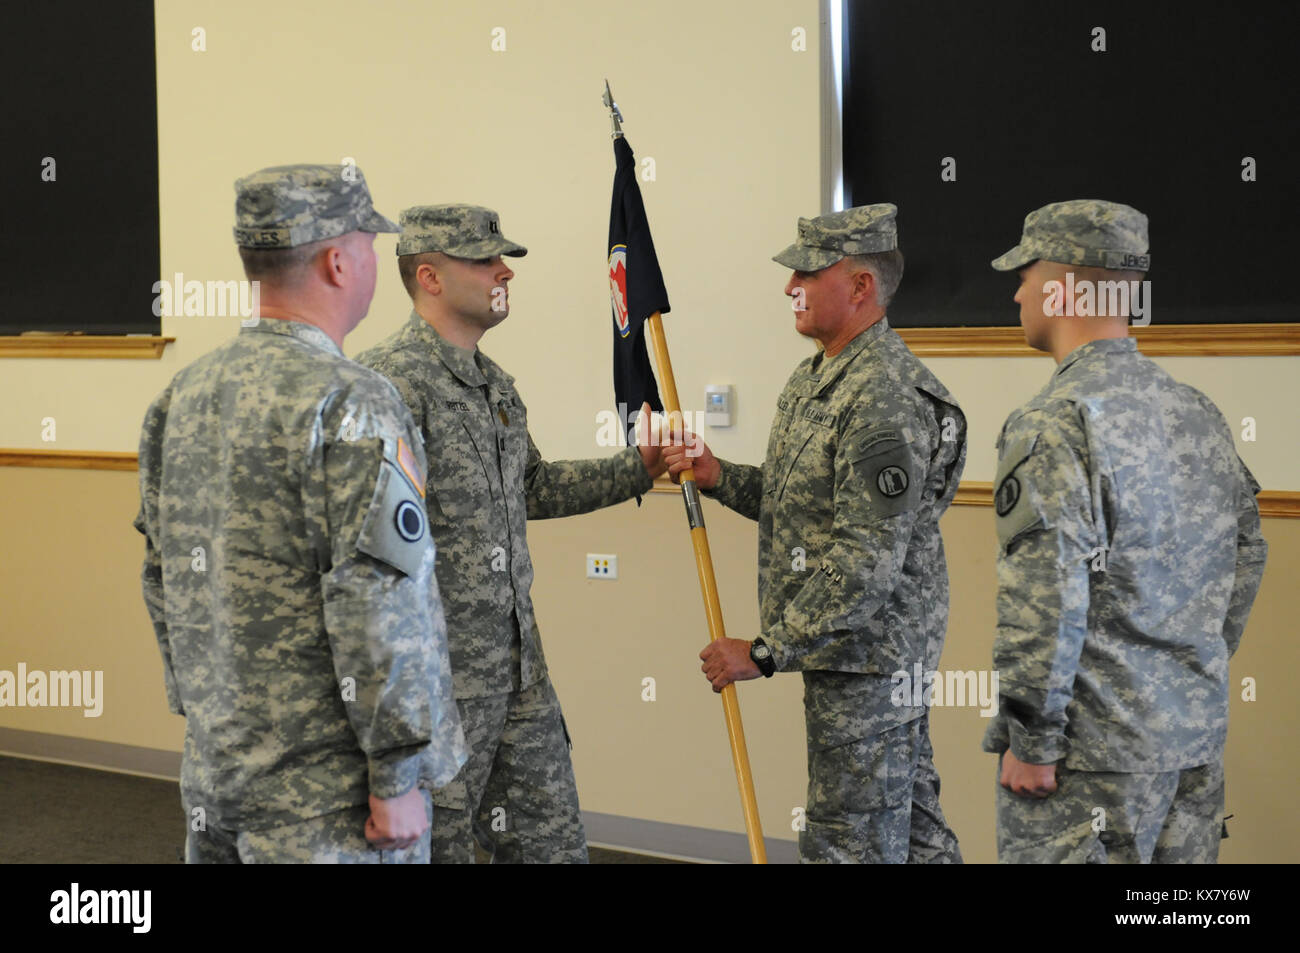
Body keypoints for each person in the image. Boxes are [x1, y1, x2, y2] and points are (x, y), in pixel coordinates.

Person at [133, 164, 465, 863]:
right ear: (338, 261)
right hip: (329, 804)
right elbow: (379, 597)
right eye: (370, 243)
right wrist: (398, 774)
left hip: (216, 778)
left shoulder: (179, 396)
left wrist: (207, 716)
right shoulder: (354, 401)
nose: (378, 259)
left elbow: (161, 576)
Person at [356, 204, 666, 863]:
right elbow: (367, 565)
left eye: (506, 259)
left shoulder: (495, 385)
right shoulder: (386, 385)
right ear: (431, 277)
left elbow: (532, 487)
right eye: (486, 259)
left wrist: (635, 468)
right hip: (437, 690)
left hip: (518, 672)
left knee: (550, 845)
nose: (505, 271)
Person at [662, 205, 967, 863]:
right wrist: (719, 477)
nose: (789, 285)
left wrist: (768, 650)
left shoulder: (883, 391)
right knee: (915, 840)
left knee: (849, 846)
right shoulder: (817, 380)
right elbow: (799, 507)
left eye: (807, 270)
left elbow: (866, 559)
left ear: (860, 287)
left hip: (870, 671)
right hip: (850, 668)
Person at [983, 199, 1269, 863]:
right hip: (1189, 742)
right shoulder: (1197, 412)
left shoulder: (1054, 421)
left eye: (1024, 274)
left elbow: (1045, 595)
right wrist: (1190, 666)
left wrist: (1032, 738)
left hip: (1090, 761)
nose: (1017, 291)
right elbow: (1247, 552)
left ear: (1058, 287)